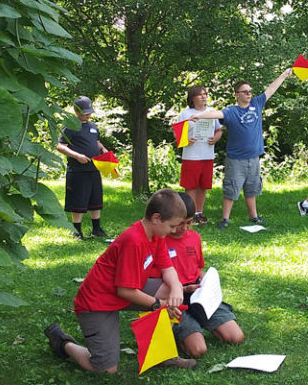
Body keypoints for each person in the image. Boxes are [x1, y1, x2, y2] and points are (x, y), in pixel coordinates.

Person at [43, 189, 196, 373]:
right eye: (172, 226)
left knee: (168, 291)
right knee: (106, 369)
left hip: (128, 289)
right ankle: (63, 343)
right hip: (97, 302)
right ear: (156, 218)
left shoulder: (157, 234)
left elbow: (167, 268)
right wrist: (158, 304)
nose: (174, 231)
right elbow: (125, 291)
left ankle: (162, 355)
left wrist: (177, 288)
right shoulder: (134, 240)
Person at [190, 69, 294, 229]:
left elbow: (271, 89)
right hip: (236, 159)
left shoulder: (257, 104)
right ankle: (225, 219)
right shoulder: (232, 111)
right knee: (231, 189)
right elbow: (216, 113)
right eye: (245, 92)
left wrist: (284, 75)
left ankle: (254, 216)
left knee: (252, 189)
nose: (249, 94)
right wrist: (200, 116)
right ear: (236, 94)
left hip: (254, 158)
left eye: (250, 91)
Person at [149, 193, 244, 357]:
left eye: (189, 223)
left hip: (199, 294)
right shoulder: (158, 239)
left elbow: (197, 267)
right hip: (173, 297)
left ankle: (199, 318)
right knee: (198, 350)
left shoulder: (194, 237)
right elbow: (152, 280)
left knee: (236, 337)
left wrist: (205, 278)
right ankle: (180, 330)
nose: (184, 228)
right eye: (179, 224)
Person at [57, 96, 109, 239]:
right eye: (85, 112)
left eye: (89, 112)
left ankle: (96, 229)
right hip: (78, 171)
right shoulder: (70, 126)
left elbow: (96, 142)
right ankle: (77, 231)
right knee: (78, 200)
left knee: (95, 200)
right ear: (76, 110)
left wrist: (103, 149)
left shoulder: (93, 126)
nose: (88, 115)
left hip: (94, 169)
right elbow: (60, 146)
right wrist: (77, 156)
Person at [175, 86, 223, 225]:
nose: (203, 97)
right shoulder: (185, 114)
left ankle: (199, 213)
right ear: (192, 98)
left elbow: (219, 130)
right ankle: (191, 214)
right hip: (191, 156)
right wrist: (186, 140)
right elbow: (177, 134)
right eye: (199, 94)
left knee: (203, 185)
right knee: (190, 186)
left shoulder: (212, 112)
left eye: (205, 94)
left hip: (207, 155)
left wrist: (216, 138)